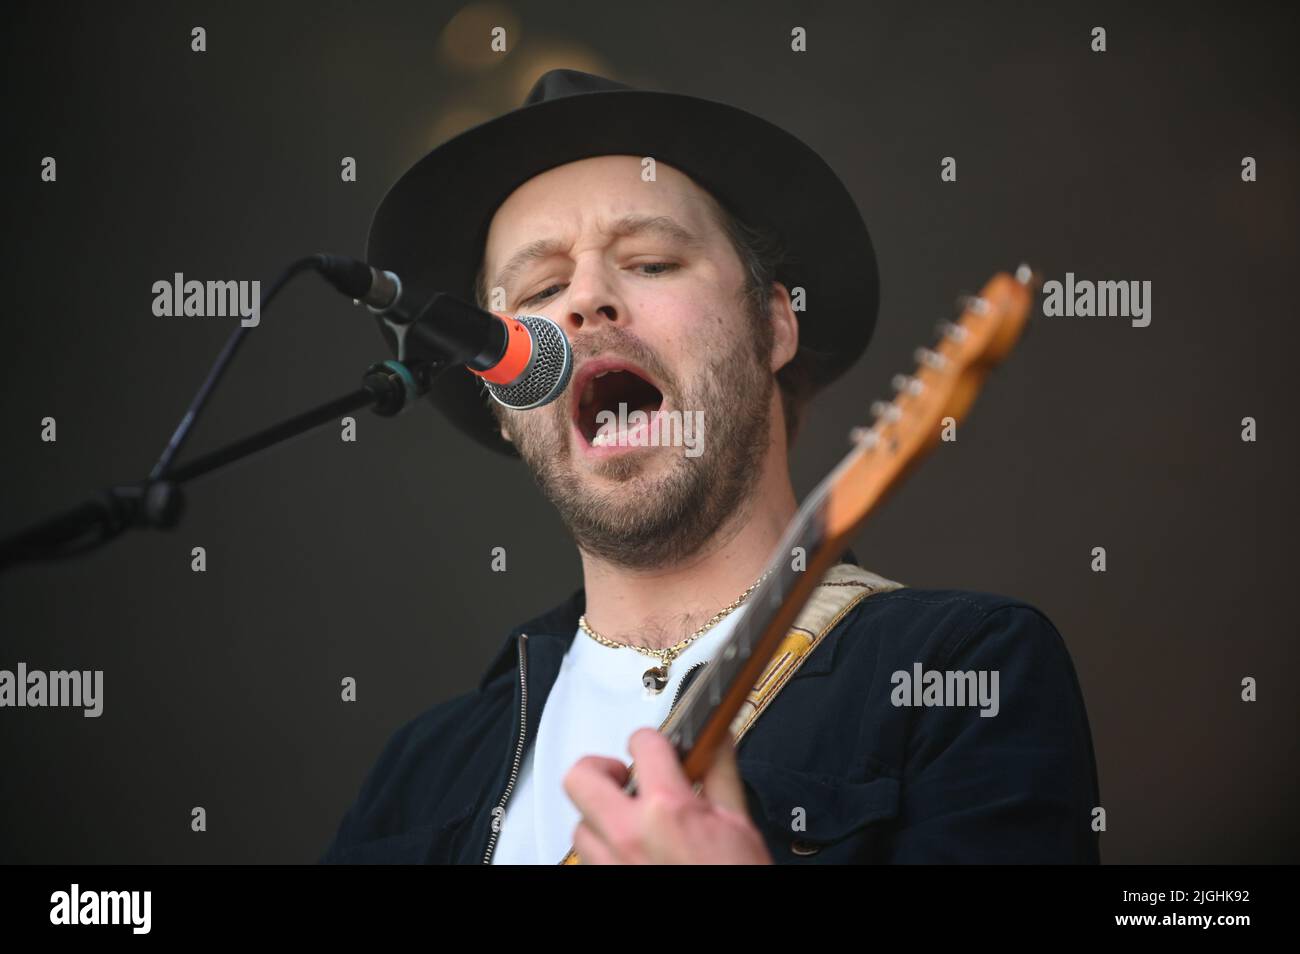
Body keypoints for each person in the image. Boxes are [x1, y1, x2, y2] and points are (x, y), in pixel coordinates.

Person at [320, 70, 1101, 865]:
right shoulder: (415, 779)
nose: (586, 300)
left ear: (774, 324)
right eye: (542, 288)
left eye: (652, 262)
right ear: (502, 397)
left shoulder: (960, 670)